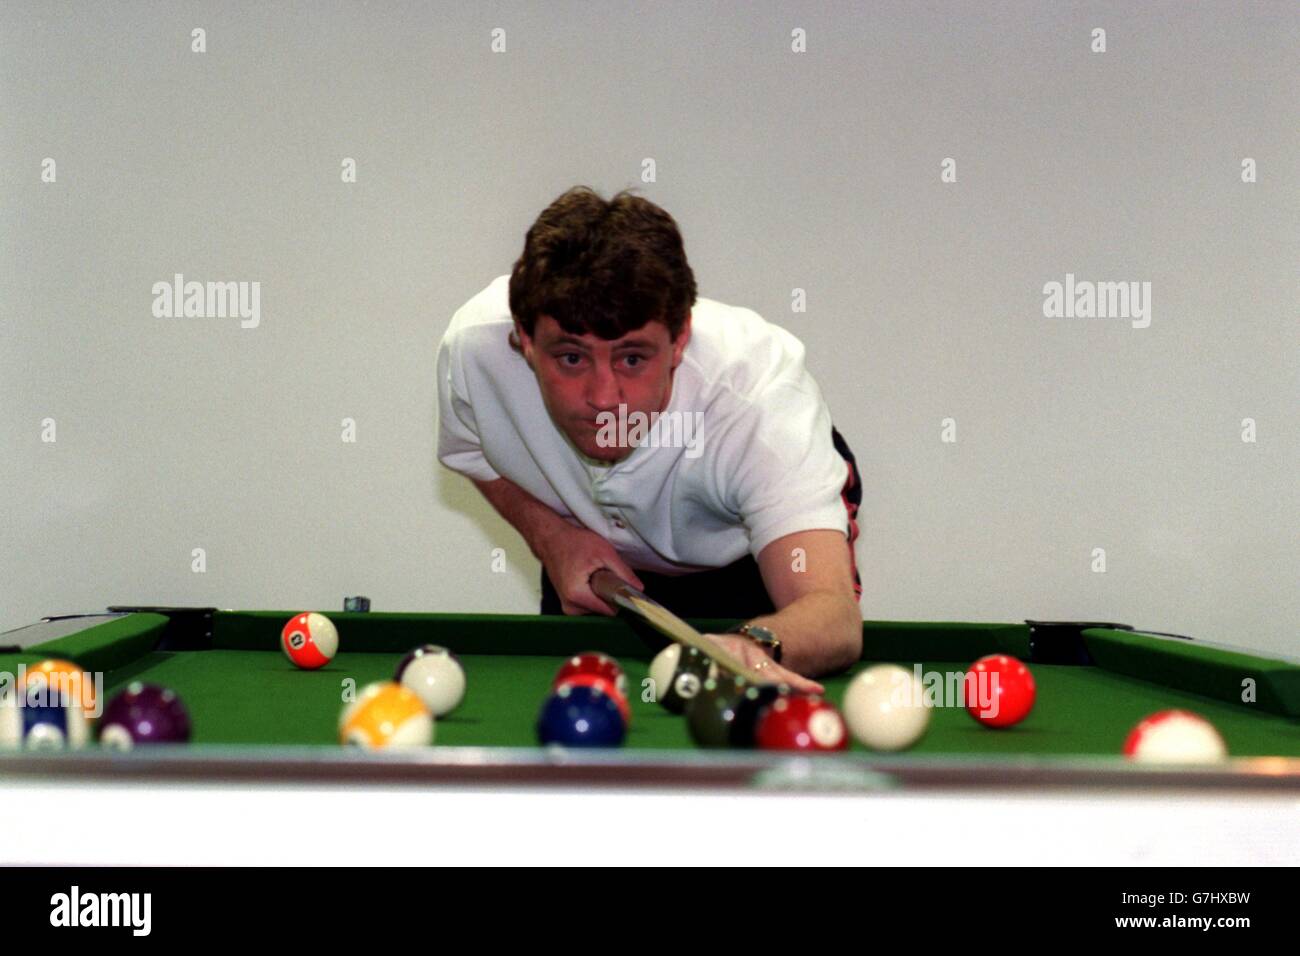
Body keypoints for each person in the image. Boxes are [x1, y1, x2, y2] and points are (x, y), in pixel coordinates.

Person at [436, 186, 862, 686]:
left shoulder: (758, 405)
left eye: (632, 358)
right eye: (571, 358)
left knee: (741, 696)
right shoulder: (475, 353)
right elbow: (471, 453)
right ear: (526, 339)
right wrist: (551, 537)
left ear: (680, 338)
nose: (603, 396)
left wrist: (753, 647)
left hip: (738, 555)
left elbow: (832, 613)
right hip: (590, 549)